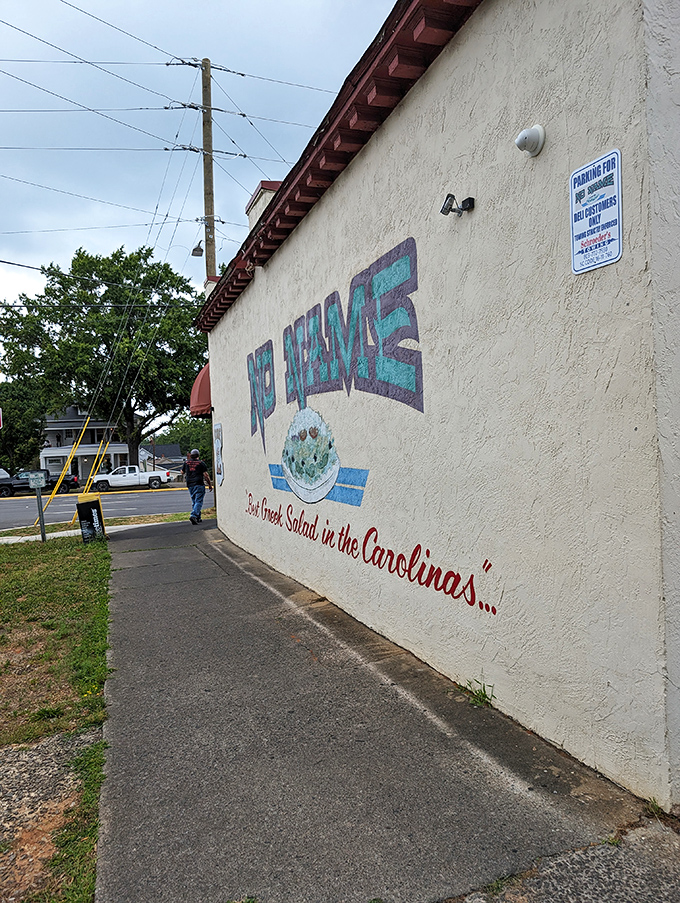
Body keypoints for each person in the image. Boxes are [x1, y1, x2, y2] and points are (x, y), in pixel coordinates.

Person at [182, 448, 212, 525]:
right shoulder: (201, 463)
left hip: (190, 484)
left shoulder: (186, 463)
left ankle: (198, 517)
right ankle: (194, 515)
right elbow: (206, 475)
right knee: (199, 501)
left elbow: (182, 472)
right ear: (198, 455)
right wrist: (209, 484)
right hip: (199, 484)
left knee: (194, 501)